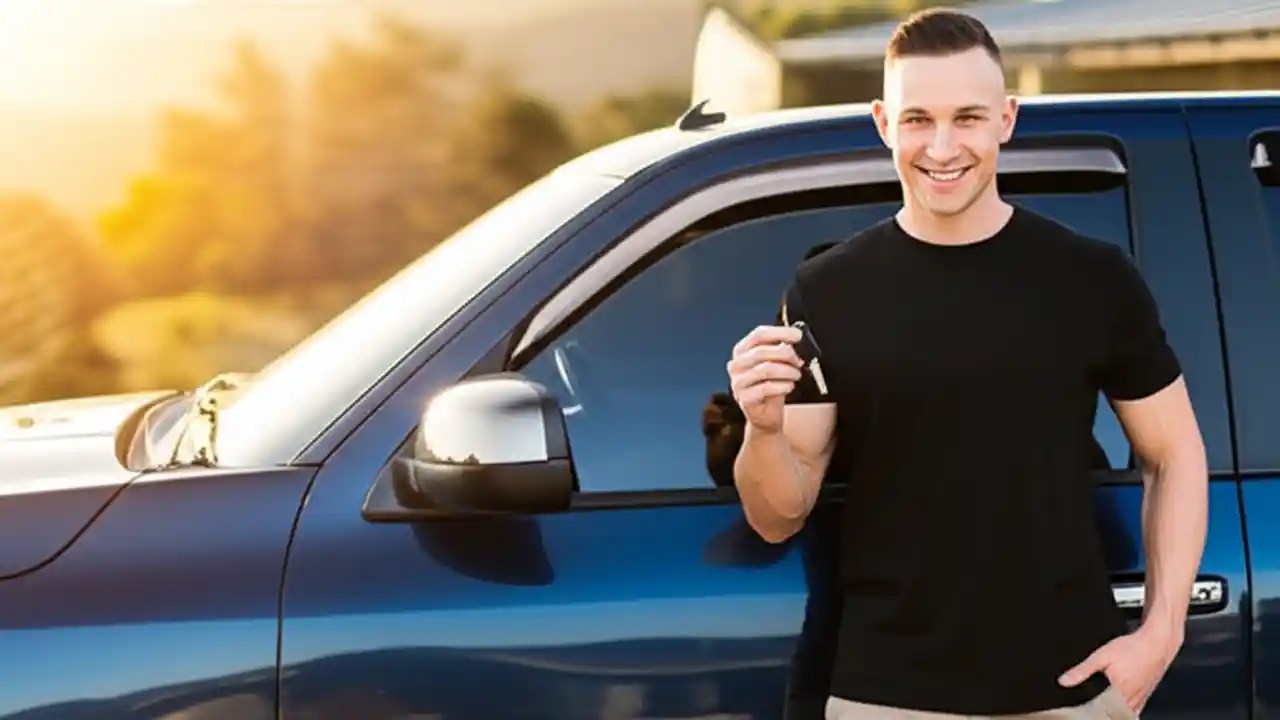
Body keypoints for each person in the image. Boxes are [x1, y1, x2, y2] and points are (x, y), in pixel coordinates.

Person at [726, 8, 1208, 719]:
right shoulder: (827, 290)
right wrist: (761, 428)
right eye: (918, 119)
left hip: (1068, 690)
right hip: (886, 697)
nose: (943, 147)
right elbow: (778, 514)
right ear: (883, 123)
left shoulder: (1091, 278)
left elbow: (1174, 454)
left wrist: (1160, 636)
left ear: (1007, 119)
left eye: (968, 118)